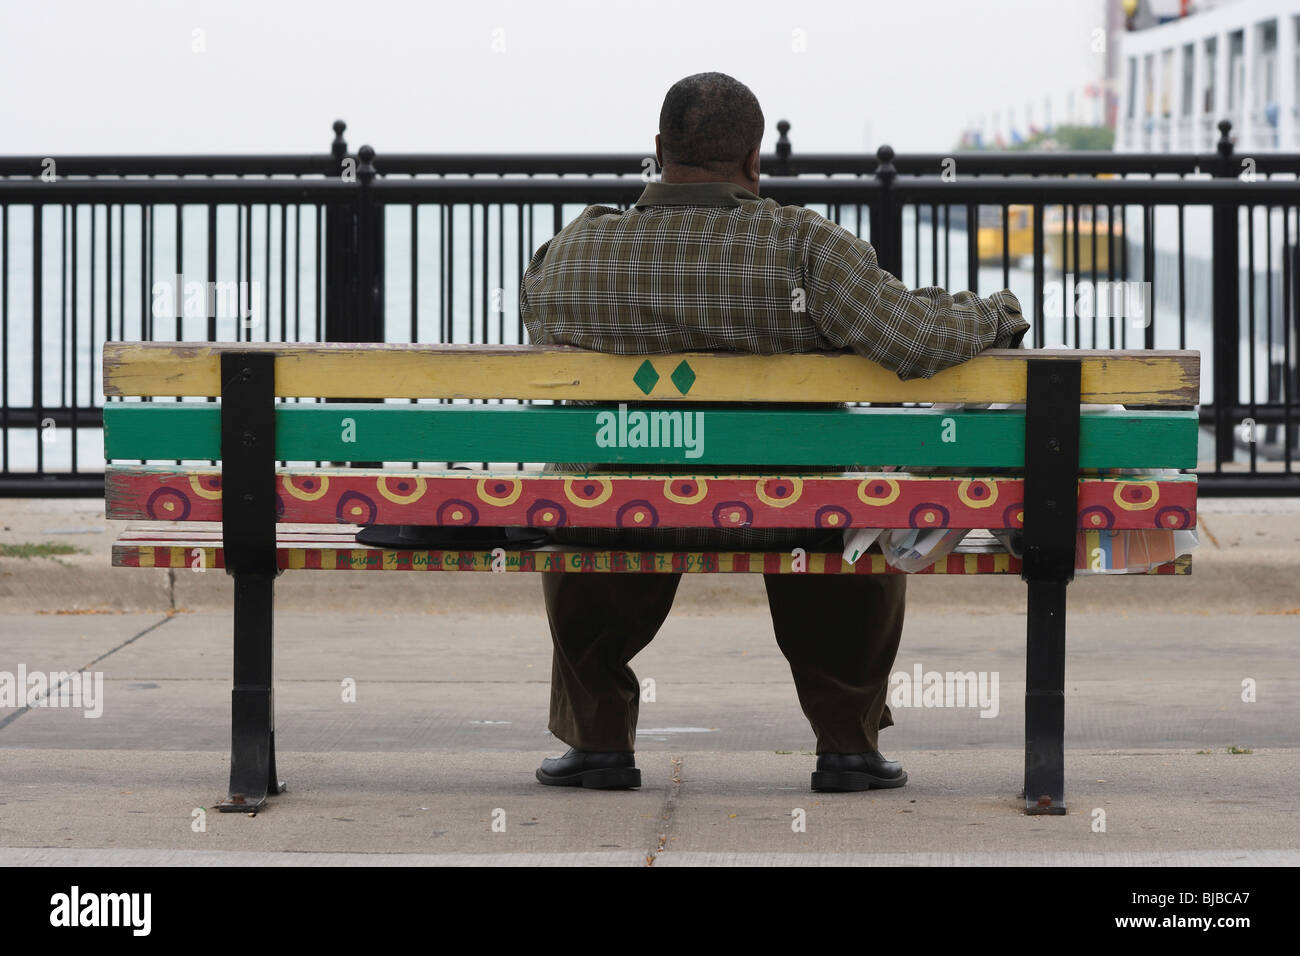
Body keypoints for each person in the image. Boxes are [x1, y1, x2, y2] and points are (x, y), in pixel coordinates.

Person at [520, 72, 1028, 793]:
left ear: (658, 150)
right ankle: (848, 746)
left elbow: (534, 307)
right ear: (756, 161)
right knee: (850, 512)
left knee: (582, 496)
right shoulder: (804, 247)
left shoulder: (578, 253)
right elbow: (914, 338)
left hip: (623, 514)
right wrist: (997, 313)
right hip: (784, 509)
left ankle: (599, 740)